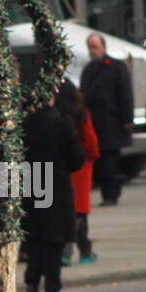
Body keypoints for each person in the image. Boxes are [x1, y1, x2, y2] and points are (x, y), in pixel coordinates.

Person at [21, 93, 86, 292]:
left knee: (35, 239)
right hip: (57, 187)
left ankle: (31, 284)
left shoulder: (26, 124)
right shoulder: (62, 122)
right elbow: (77, 158)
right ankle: (51, 291)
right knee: (55, 241)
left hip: (32, 185)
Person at [80, 34, 133, 206]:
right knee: (100, 161)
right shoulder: (89, 69)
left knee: (111, 160)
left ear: (103, 47)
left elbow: (125, 94)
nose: (92, 51)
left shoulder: (116, 66)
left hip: (111, 123)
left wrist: (127, 118)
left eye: (95, 47)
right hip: (95, 123)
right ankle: (106, 191)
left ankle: (111, 193)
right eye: (90, 47)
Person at [57, 79, 100, 265]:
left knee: (73, 210)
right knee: (79, 212)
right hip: (82, 167)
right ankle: (71, 250)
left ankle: (85, 249)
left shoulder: (57, 115)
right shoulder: (82, 115)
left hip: (63, 166)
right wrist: (93, 156)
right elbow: (91, 143)